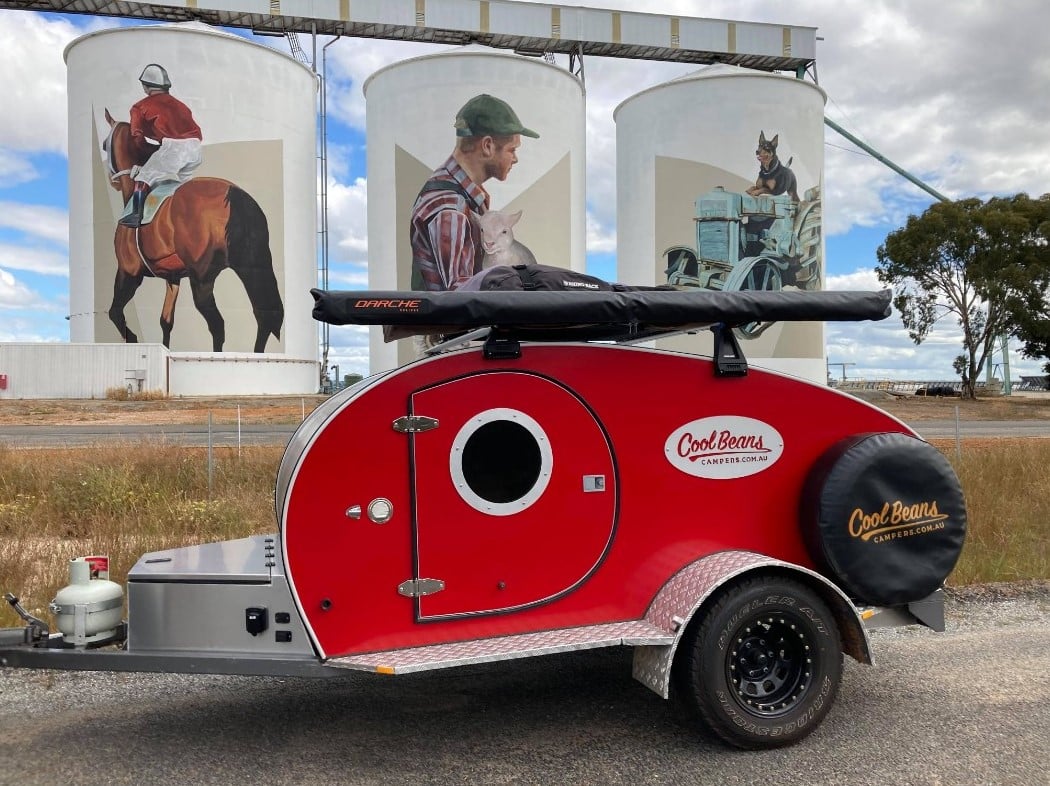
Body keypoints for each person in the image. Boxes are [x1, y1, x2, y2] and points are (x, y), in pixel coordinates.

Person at [409, 94, 539, 291]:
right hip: (450, 323)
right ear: (487, 146)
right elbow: (461, 295)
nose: (515, 159)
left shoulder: (466, 197)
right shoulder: (451, 208)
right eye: (512, 150)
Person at [119, 64, 203, 228]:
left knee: (143, 177)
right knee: (185, 183)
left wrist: (146, 156)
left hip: (174, 147)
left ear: (145, 86)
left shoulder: (139, 107)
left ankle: (136, 215)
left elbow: (137, 137)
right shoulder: (181, 105)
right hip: (196, 149)